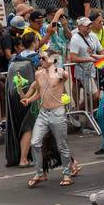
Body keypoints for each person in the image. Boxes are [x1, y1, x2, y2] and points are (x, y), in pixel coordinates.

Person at [22, 51, 81, 188]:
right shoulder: (38, 74)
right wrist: (28, 100)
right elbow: (39, 93)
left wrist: (58, 71)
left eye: (43, 58)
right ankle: (39, 173)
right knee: (35, 143)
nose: (40, 60)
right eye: (39, 58)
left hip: (57, 113)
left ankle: (67, 174)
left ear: (52, 60)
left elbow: (65, 76)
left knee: (62, 145)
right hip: (43, 113)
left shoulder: (59, 73)